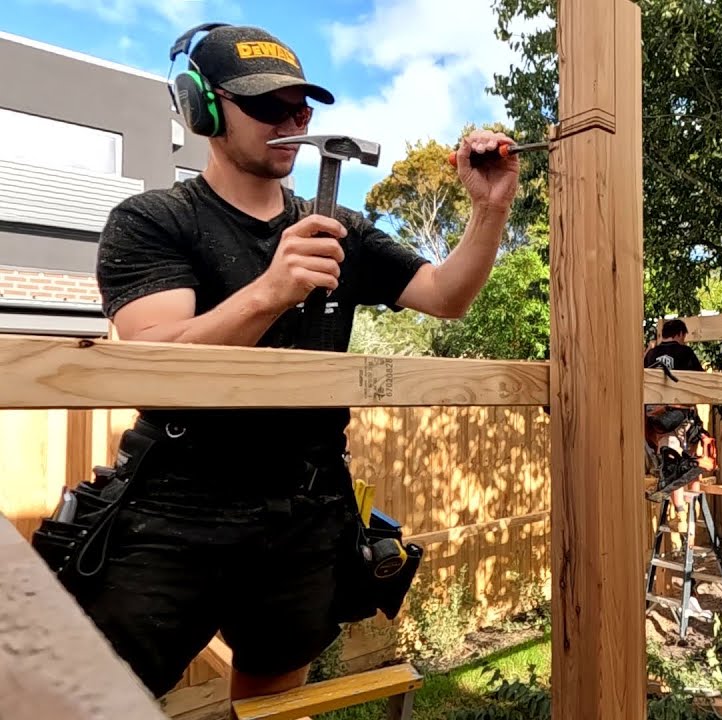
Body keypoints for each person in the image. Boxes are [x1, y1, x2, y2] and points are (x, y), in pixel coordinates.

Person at [74, 23, 517, 700]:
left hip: (305, 511)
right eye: (268, 106)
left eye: (301, 109)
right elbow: (151, 358)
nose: (290, 121)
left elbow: (446, 296)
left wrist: (489, 211)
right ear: (203, 107)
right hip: (174, 508)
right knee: (98, 699)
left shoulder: (340, 230)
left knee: (273, 704)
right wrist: (271, 291)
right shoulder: (154, 220)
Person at [643, 320, 711, 517]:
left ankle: (679, 507)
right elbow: (701, 381)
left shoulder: (651, 355)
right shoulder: (685, 352)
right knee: (691, 458)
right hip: (680, 414)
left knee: (669, 459)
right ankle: (690, 505)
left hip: (656, 417)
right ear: (680, 334)